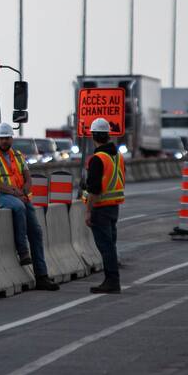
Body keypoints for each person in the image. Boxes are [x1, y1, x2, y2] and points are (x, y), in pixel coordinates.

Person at [0, 122, 58, 291]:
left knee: (36, 232)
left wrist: (25, 189)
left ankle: (42, 276)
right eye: (1, 139)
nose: (4, 141)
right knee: (18, 207)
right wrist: (14, 192)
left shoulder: (18, 155)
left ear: (11, 139)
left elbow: (28, 177)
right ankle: (23, 251)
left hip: (19, 196)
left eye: (7, 138)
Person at [82, 117, 125, 294]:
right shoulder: (117, 156)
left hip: (100, 208)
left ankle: (112, 281)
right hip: (113, 207)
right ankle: (112, 280)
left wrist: (88, 212)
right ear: (107, 135)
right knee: (110, 245)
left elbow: (94, 189)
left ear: (93, 136)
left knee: (105, 246)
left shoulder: (98, 159)